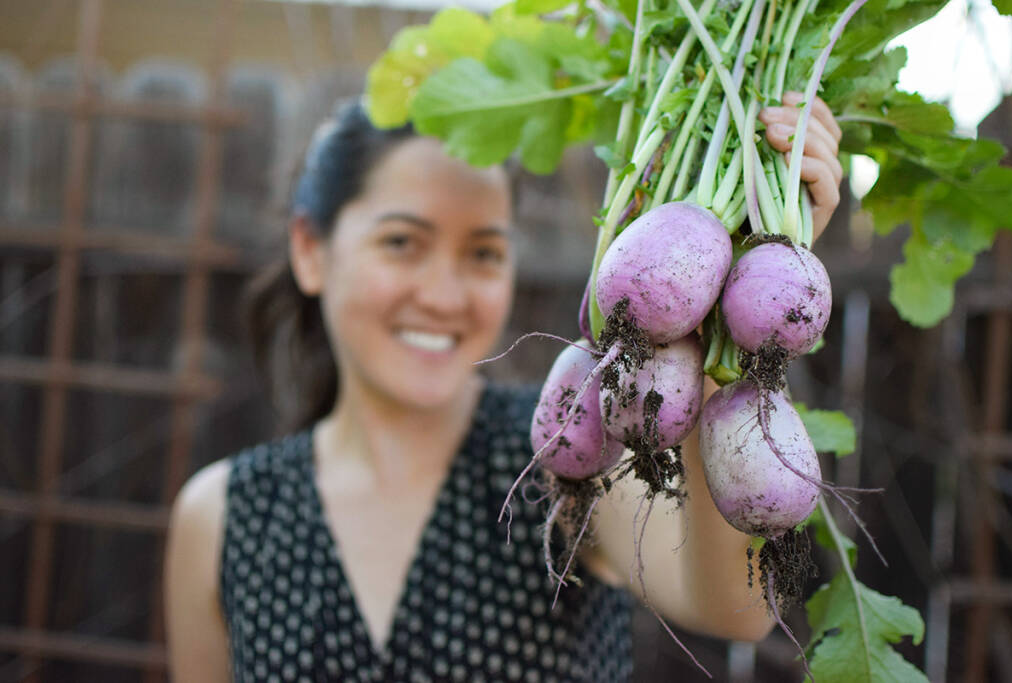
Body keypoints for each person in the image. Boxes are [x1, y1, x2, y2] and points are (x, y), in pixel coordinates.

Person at [164, 91, 844, 682]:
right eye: (402, 242)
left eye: (484, 252)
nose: (442, 294)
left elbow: (733, 607)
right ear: (311, 251)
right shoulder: (222, 516)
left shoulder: (575, 451)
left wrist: (726, 277)